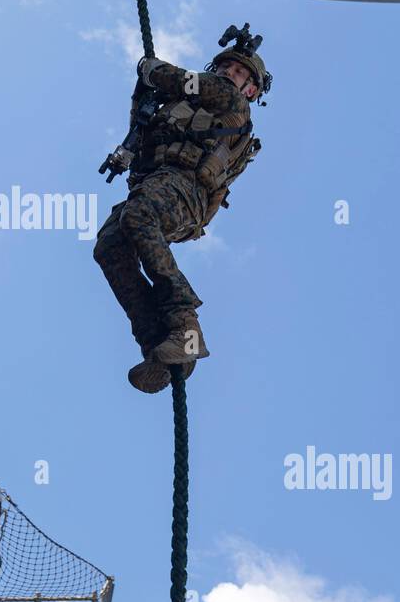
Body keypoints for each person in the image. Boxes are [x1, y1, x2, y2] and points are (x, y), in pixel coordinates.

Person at [93, 40, 269, 393]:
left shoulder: (231, 102)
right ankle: (158, 346)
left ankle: (186, 324)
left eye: (239, 73)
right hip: (154, 184)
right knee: (109, 246)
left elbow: (191, 82)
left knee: (140, 213)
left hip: (186, 189)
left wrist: (153, 71)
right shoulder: (174, 104)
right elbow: (141, 133)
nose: (228, 74)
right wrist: (142, 93)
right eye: (225, 67)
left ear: (250, 90)